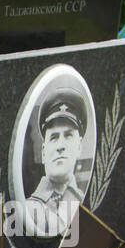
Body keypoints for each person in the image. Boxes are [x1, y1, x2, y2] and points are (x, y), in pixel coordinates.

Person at [25, 88, 88, 237]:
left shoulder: (86, 198)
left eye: (68, 135)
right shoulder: (26, 209)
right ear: (43, 152)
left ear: (79, 147)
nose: (60, 146)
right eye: (54, 137)